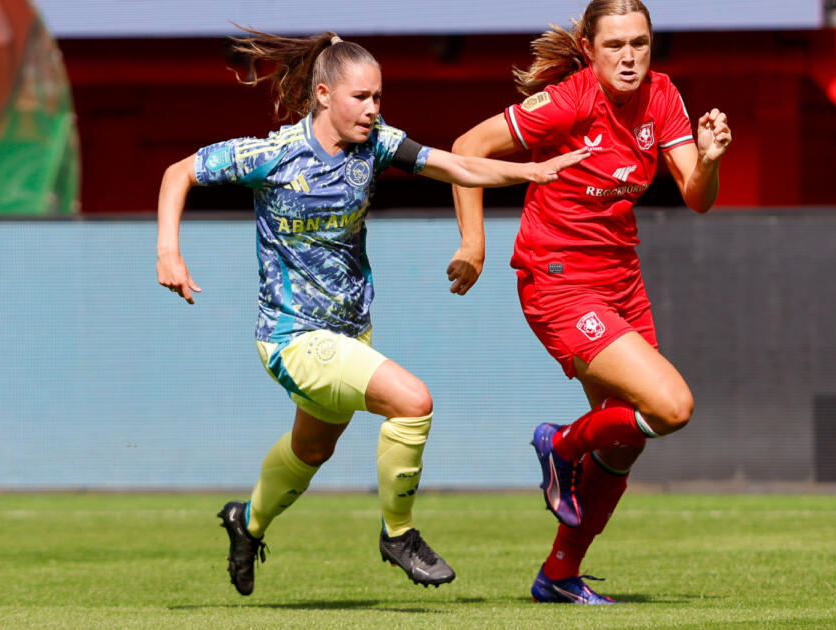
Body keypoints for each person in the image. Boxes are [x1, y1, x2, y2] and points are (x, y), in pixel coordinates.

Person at [155, 27, 587, 597]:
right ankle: (398, 534)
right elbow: (178, 172)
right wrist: (168, 252)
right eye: (361, 97)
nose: (373, 108)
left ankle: (247, 522)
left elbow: (455, 166)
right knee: (413, 403)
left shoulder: (379, 144)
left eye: (378, 96)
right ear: (324, 96)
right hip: (291, 337)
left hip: (349, 335)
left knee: (312, 449)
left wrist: (526, 173)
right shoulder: (272, 155)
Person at [449, 0, 731, 605]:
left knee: (626, 442)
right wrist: (474, 241)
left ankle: (556, 575)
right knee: (671, 407)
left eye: (640, 43)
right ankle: (562, 444)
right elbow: (468, 145)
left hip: (621, 280)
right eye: (615, 46)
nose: (629, 57)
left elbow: (698, 198)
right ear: (588, 47)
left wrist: (707, 162)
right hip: (556, 279)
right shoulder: (569, 101)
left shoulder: (663, 96)